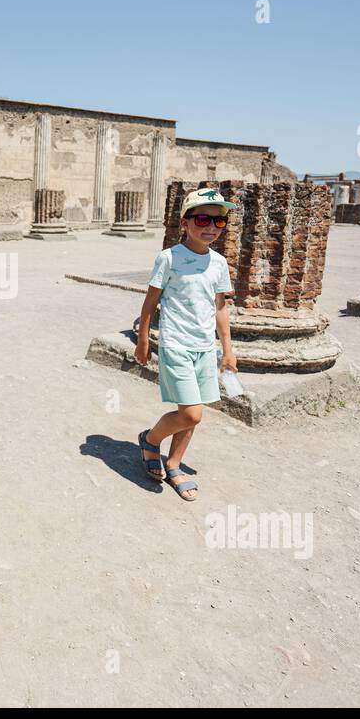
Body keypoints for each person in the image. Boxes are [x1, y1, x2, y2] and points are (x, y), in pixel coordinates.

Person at [133, 188, 238, 500]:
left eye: (219, 222)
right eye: (203, 218)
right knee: (192, 414)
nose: (210, 227)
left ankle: (174, 463)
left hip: (205, 347)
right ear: (185, 222)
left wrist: (228, 350)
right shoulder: (169, 258)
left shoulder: (219, 263)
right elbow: (151, 301)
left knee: (193, 410)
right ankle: (151, 440)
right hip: (176, 343)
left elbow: (220, 308)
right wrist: (143, 339)